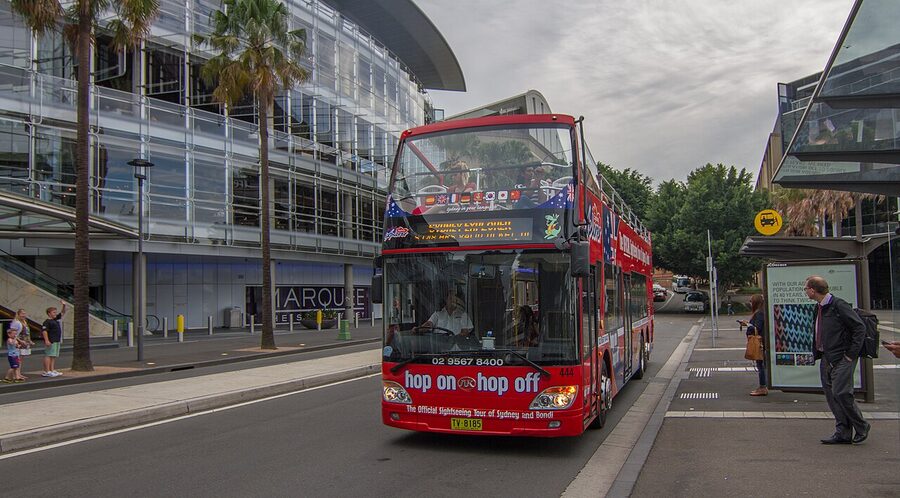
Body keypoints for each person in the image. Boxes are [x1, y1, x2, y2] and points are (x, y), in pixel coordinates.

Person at [805, 275, 869, 445]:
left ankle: (861, 426)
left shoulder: (837, 305)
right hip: (826, 356)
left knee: (841, 393)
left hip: (842, 357)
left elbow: (859, 328)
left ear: (812, 290)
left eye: (806, 289)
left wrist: (850, 354)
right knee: (831, 396)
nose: (805, 292)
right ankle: (843, 432)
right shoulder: (819, 307)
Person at [738, 294, 767, 396]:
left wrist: (747, 325)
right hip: (762, 342)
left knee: (761, 365)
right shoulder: (761, 312)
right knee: (762, 365)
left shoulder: (759, 313)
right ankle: (763, 386)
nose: (750, 303)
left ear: (755, 302)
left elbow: (757, 328)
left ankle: (763, 387)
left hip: (759, 343)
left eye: (751, 301)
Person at [41, 301, 66, 378]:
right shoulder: (47, 322)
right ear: (49, 313)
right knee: (48, 355)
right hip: (51, 340)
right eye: (53, 312)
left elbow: (62, 313)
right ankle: (47, 371)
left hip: (56, 340)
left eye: (55, 312)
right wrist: (47, 340)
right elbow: (44, 331)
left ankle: (52, 370)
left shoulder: (55, 319)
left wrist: (64, 305)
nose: (55, 314)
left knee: (53, 356)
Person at [8, 309, 33, 379]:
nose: (24, 315)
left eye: (25, 314)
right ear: (18, 314)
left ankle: (18, 373)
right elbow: (14, 334)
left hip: (24, 341)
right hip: (19, 342)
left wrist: (29, 340)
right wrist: (20, 341)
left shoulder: (24, 322)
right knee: (17, 359)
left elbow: (27, 333)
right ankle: (15, 375)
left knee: (20, 359)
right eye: (22, 314)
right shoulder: (16, 322)